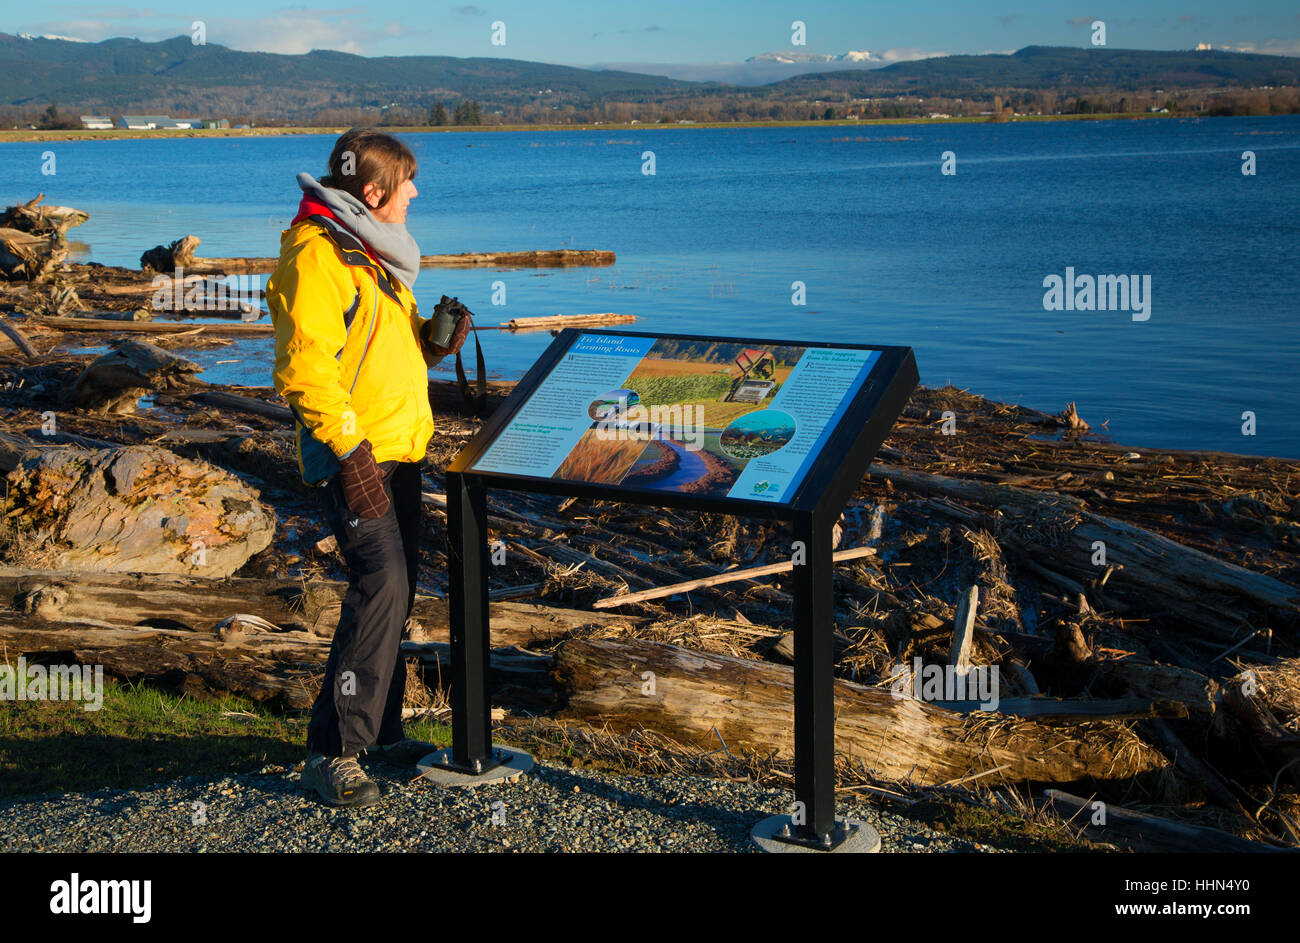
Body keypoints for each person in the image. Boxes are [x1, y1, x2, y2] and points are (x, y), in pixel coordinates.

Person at [265, 128, 469, 807]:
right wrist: (350, 455)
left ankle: (380, 732)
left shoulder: (368, 252)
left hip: (398, 451)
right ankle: (332, 751)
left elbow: (372, 349)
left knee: (398, 590)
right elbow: (306, 368)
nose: (415, 192)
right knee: (378, 587)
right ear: (375, 192)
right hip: (359, 456)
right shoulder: (317, 254)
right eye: (406, 182)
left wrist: (428, 345)